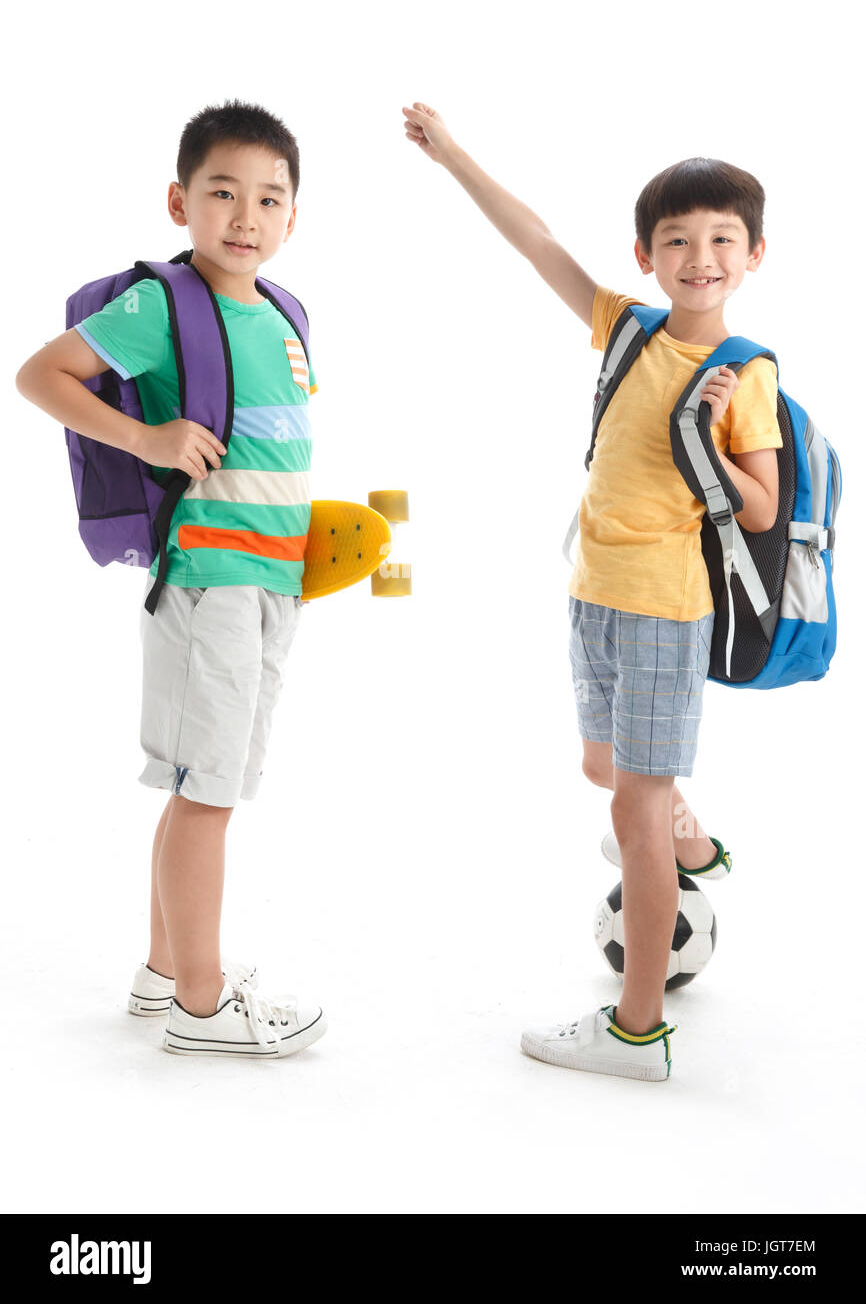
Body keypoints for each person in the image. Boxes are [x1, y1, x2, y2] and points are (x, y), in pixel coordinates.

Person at [402, 102, 781, 1081]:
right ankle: (689, 846)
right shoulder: (627, 329)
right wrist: (452, 157)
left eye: (719, 241)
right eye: (676, 241)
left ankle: (634, 1029)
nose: (698, 257)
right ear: (646, 255)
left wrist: (705, 443)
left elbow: (757, 509)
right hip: (592, 595)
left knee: (633, 816)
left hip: (662, 608)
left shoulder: (742, 373)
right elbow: (538, 245)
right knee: (598, 768)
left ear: (752, 255)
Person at [16, 99, 327, 1059]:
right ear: (178, 201)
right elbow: (40, 376)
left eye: (269, 198)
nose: (246, 215)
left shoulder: (284, 314)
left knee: (206, 784)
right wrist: (143, 436)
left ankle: (163, 977)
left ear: (292, 216)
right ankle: (202, 1002)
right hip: (207, 585)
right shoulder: (161, 303)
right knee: (211, 794)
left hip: (270, 583)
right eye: (223, 192)